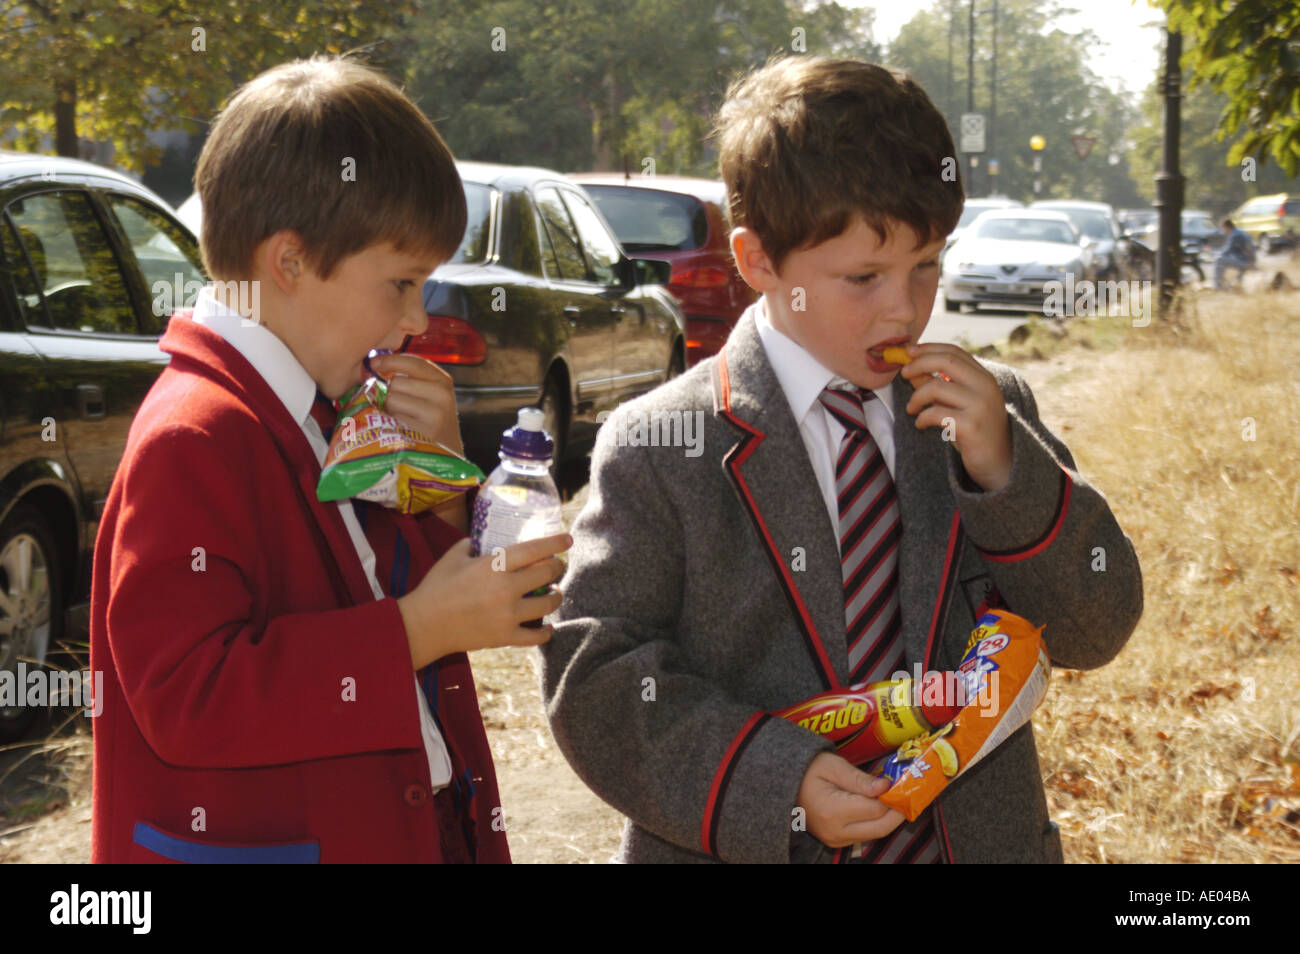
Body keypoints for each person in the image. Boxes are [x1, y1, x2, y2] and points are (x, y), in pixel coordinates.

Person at [541, 56, 1142, 864]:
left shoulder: (986, 414)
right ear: (757, 263)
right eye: (864, 275)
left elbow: (1095, 628)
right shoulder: (660, 445)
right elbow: (596, 675)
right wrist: (771, 778)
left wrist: (1007, 476)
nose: (906, 304)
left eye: (928, 262)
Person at [89, 56, 570, 863]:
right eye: (400, 283)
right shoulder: (195, 437)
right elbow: (186, 697)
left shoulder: (327, 397)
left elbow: (397, 579)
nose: (417, 319)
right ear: (291, 262)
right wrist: (411, 634)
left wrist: (445, 477)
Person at [1213, 217, 1256, 289]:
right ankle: (1228, 284)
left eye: (1223, 228)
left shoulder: (1235, 235)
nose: (1223, 231)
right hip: (1249, 260)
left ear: (1227, 227)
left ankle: (1218, 287)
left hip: (1246, 262)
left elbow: (1227, 251)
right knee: (1223, 260)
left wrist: (1213, 253)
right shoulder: (1239, 232)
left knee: (1219, 260)